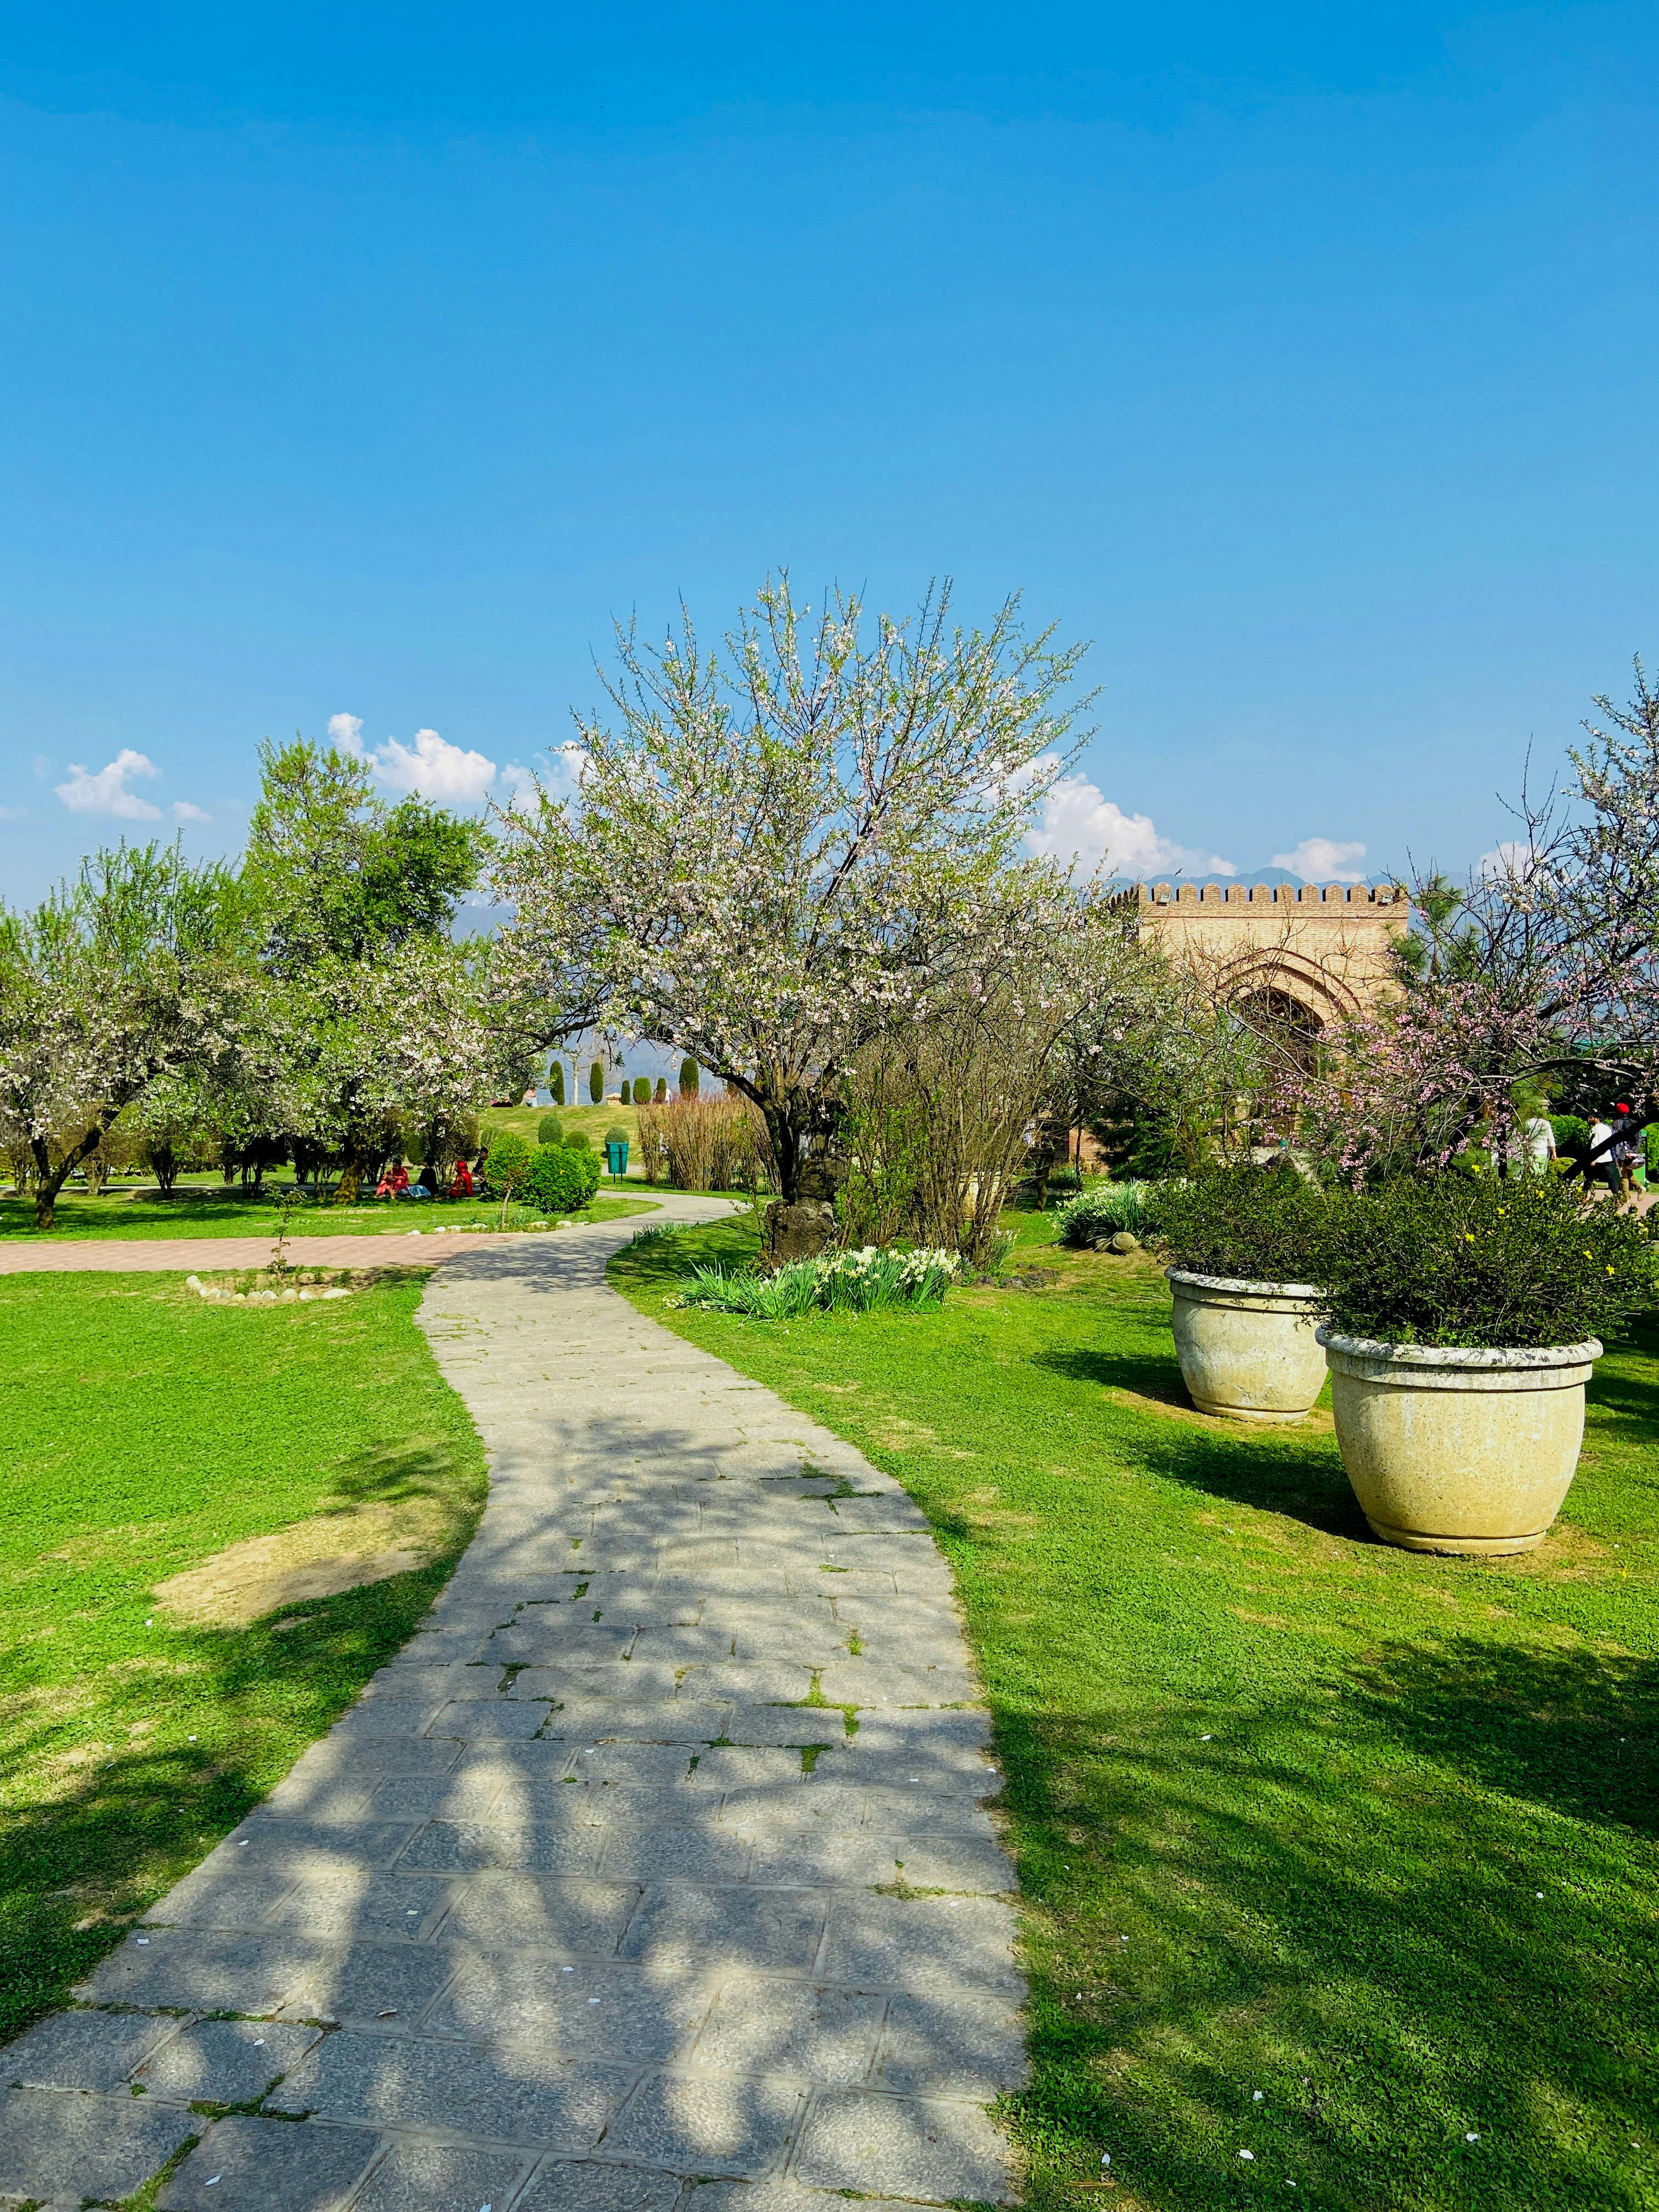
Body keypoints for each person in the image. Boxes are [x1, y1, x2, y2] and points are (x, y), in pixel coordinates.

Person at [1586, 1114, 1619, 1199]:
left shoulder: (1594, 1129)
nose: (1590, 1119)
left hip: (1597, 1158)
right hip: (1607, 1157)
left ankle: (1583, 1196)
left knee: (1589, 1178)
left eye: (1592, 1117)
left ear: (1597, 1119)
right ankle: (1617, 1197)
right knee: (1612, 1179)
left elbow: (1593, 1144)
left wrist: (1592, 1158)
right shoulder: (1608, 1128)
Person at [1520, 1108, 1556, 1177]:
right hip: (1544, 1152)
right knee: (1542, 1174)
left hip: (1532, 1152)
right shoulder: (1546, 1124)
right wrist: (1554, 1152)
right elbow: (1551, 1138)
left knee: (1534, 1175)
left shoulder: (1528, 1123)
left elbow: (1524, 1138)